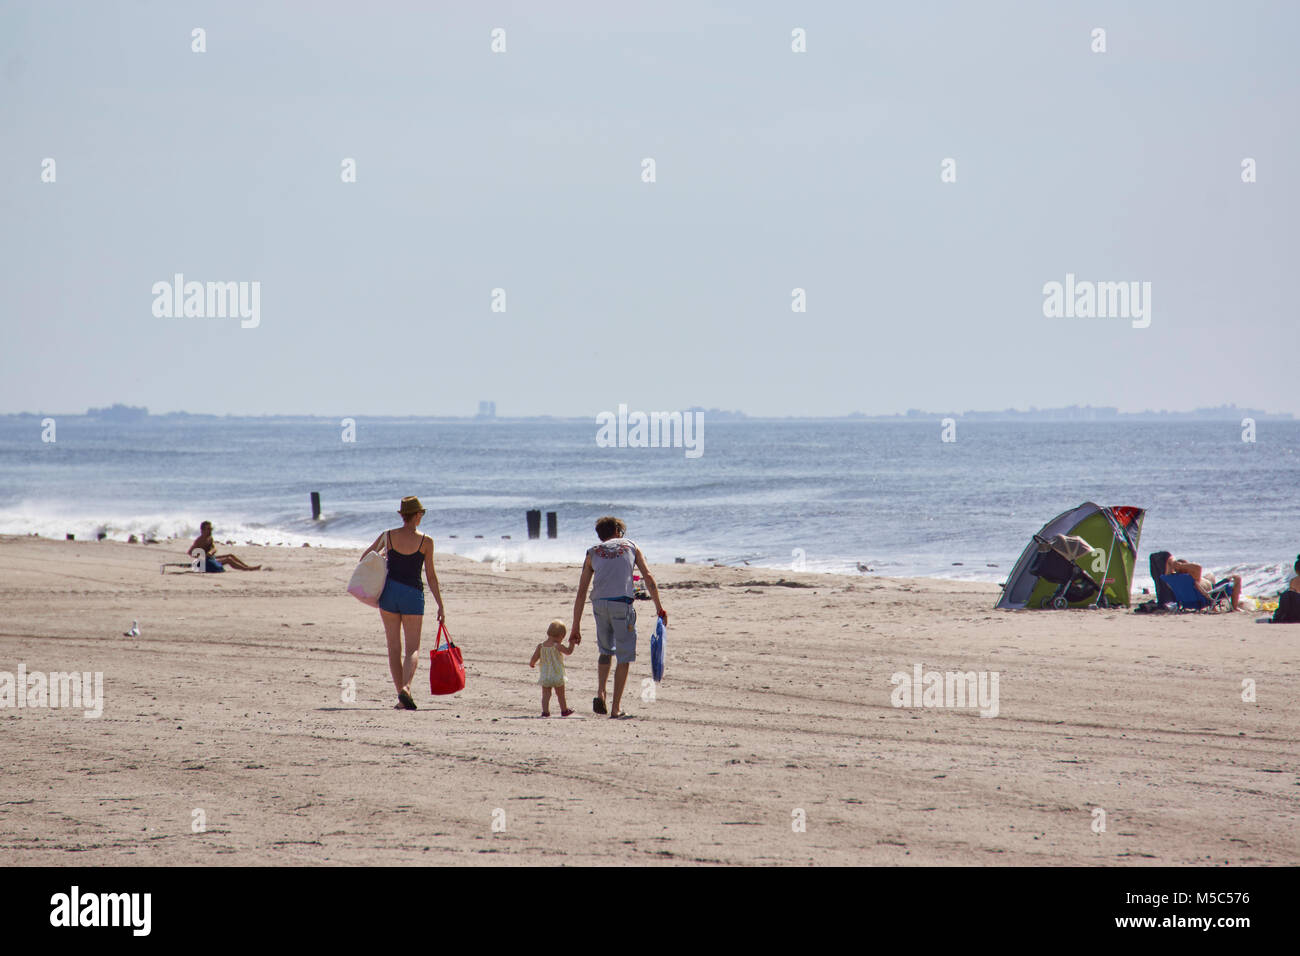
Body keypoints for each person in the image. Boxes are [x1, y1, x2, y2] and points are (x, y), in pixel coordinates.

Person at [570, 516, 666, 719]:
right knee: (624, 656)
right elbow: (648, 577)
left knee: (605, 651)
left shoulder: (592, 552)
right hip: (621, 604)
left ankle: (600, 693)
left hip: (599, 604)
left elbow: (581, 593)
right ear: (617, 531)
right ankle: (616, 708)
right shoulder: (631, 545)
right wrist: (659, 607)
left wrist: (575, 627)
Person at [361, 496, 445, 710]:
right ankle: (406, 687)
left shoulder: (387, 536)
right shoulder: (426, 541)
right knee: (413, 648)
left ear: (402, 515)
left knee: (393, 648)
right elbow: (431, 576)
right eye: (421, 513)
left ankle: (401, 698)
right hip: (412, 596)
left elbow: (364, 559)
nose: (422, 517)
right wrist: (440, 605)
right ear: (417, 515)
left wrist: (383, 556)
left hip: (389, 595)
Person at [529, 619, 576, 717]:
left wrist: (532, 663)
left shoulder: (541, 646)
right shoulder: (557, 646)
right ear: (561, 636)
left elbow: (534, 658)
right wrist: (572, 643)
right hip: (557, 675)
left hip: (546, 675)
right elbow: (568, 651)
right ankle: (564, 710)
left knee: (546, 695)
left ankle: (545, 712)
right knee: (560, 695)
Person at [1165, 555, 1241, 611]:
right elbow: (1198, 567)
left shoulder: (1171, 579)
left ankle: (1214, 608)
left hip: (1188, 601)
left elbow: (1169, 560)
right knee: (1237, 578)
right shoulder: (1192, 578)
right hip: (1209, 596)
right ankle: (1234, 608)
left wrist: (1175, 564)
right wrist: (1182, 565)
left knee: (1210, 575)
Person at [190, 521, 260, 571]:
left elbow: (213, 548)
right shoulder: (199, 540)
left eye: (211, 529)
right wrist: (201, 556)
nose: (210, 531)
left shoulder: (210, 538)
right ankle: (246, 569)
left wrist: (211, 552)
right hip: (203, 563)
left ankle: (246, 566)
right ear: (202, 530)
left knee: (230, 555)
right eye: (208, 529)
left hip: (210, 559)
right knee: (228, 559)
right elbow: (190, 552)